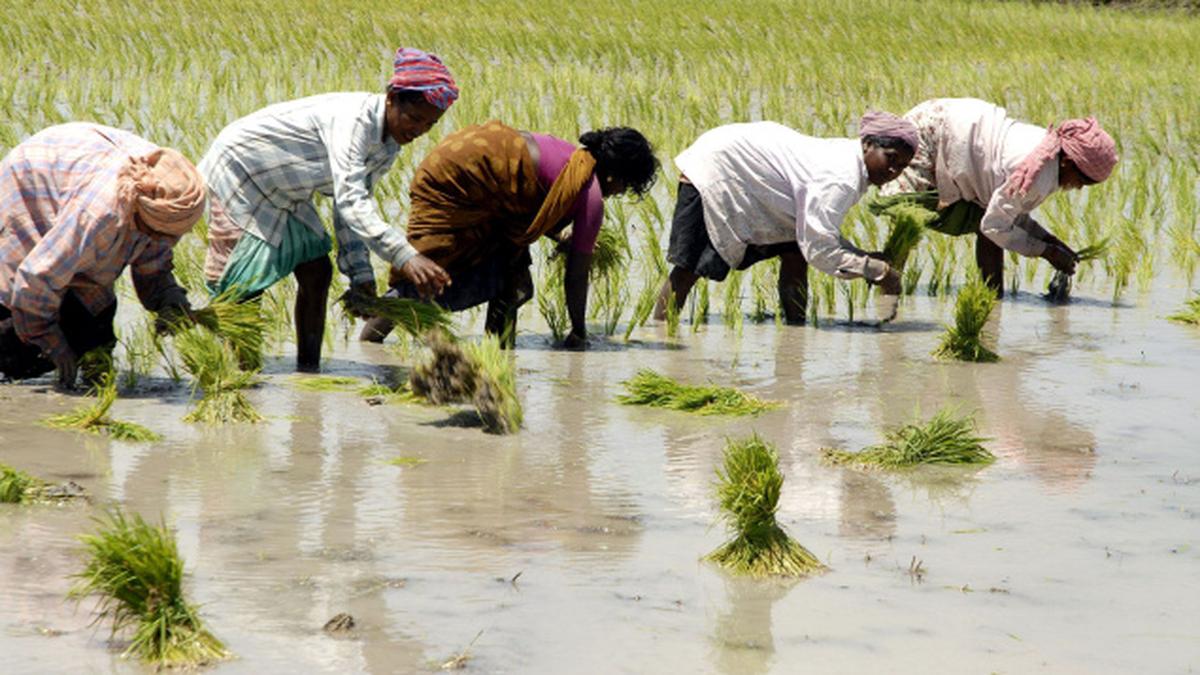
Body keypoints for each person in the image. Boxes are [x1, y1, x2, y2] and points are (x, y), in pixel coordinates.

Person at [200, 47, 457, 371]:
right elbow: (351, 201)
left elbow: (348, 204)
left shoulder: (388, 144)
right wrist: (405, 256)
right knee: (245, 285)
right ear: (392, 98)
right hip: (240, 171)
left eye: (430, 125)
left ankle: (309, 369)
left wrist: (359, 273)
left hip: (285, 187)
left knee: (317, 270)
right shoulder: (353, 122)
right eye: (415, 118)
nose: (419, 130)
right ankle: (244, 377)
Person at [357, 122, 658, 348]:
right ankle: (369, 344)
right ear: (614, 175)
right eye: (626, 186)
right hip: (462, 177)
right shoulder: (589, 194)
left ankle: (499, 352)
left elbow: (529, 199)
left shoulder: (571, 158)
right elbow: (576, 275)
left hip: (462, 154)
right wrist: (578, 331)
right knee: (425, 275)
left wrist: (559, 236)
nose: (619, 193)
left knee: (514, 282)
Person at [653, 112, 918, 325]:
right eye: (890, 159)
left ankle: (795, 329)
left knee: (795, 253)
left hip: (759, 183)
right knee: (688, 268)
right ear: (868, 145)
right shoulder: (842, 178)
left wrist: (863, 259)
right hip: (717, 170)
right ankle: (662, 334)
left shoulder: (850, 164)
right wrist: (876, 270)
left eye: (902, 166)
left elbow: (816, 238)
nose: (894, 170)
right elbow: (821, 249)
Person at [0, 123, 204, 387]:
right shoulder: (98, 215)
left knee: (96, 334)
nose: (168, 242)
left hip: (79, 171)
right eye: (161, 234)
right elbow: (36, 277)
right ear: (139, 217)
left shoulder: (168, 192)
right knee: (18, 349)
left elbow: (153, 260)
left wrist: (168, 299)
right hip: (29, 183)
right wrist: (51, 343)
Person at [876, 98, 1118, 295]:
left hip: (945, 118)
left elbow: (1007, 214)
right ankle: (887, 296)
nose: (1080, 188)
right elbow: (995, 226)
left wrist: (1049, 240)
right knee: (909, 218)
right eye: (1083, 181)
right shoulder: (1038, 173)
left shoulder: (1048, 155)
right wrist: (1047, 252)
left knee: (983, 218)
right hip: (932, 133)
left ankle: (991, 299)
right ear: (1068, 162)